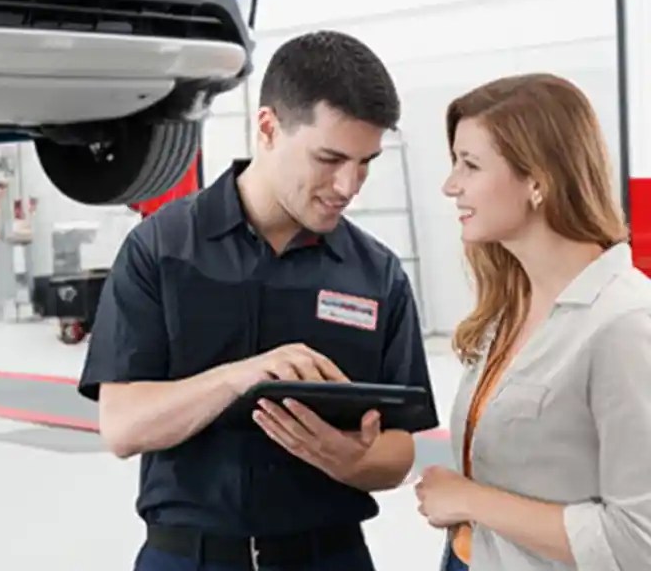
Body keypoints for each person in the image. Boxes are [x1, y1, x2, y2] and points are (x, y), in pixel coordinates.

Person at [78, 30, 440, 571]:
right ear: (268, 128)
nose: (348, 185)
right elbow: (123, 427)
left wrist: (350, 460)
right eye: (329, 158)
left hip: (330, 557)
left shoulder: (378, 276)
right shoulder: (161, 249)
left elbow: (400, 451)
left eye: (365, 162)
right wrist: (242, 377)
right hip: (190, 558)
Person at [415, 73, 651, 570]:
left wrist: (469, 500)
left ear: (537, 180)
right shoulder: (509, 310)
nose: (450, 185)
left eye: (470, 165)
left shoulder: (625, 324)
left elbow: (638, 542)